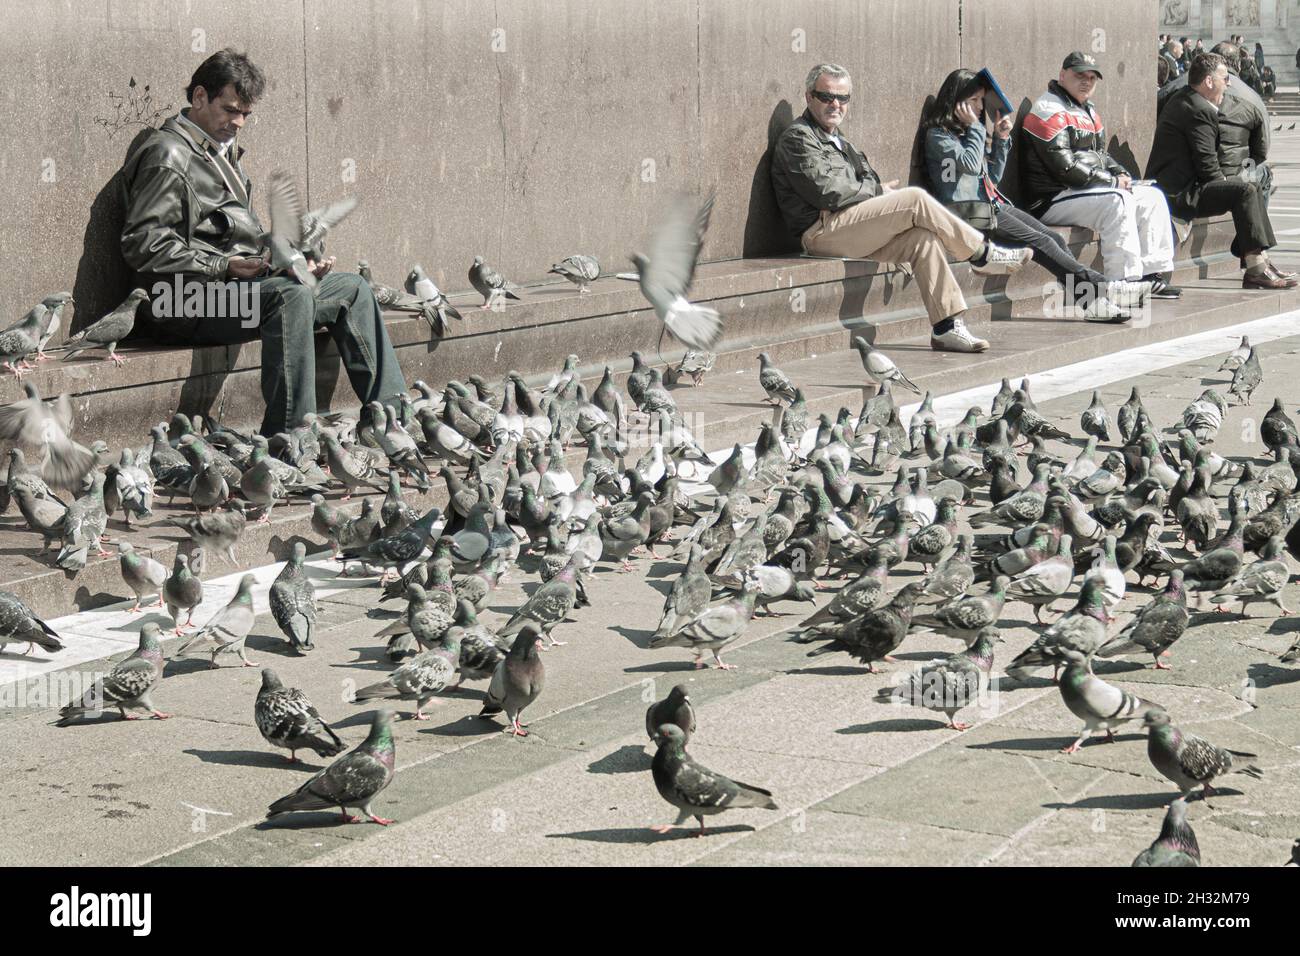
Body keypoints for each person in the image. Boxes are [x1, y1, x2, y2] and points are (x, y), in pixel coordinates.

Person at [120, 49, 407, 437]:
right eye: (230, 109)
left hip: (231, 291)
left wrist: (290, 260)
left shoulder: (220, 150)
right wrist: (223, 266)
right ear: (199, 96)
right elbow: (142, 244)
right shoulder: (168, 154)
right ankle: (290, 439)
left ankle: (391, 423)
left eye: (245, 115)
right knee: (290, 297)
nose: (237, 122)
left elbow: (237, 238)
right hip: (180, 301)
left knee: (352, 289)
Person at [771, 63, 1031, 354]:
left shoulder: (840, 139)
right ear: (809, 97)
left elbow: (868, 176)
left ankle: (947, 327)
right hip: (822, 230)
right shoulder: (799, 137)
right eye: (827, 96)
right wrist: (876, 193)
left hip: (852, 226)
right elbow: (826, 192)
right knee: (914, 199)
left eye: (843, 98)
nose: (836, 104)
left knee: (924, 240)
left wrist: (873, 191)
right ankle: (982, 254)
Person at [919, 68, 1149, 322]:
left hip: (991, 205)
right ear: (955, 101)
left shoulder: (968, 134)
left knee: (1054, 239)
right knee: (1043, 243)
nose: (979, 107)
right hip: (968, 215)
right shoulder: (939, 136)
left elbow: (990, 180)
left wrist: (1001, 141)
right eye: (973, 101)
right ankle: (1104, 286)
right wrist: (976, 129)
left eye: (980, 101)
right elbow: (971, 164)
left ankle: (1093, 304)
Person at [1019, 51, 1179, 297]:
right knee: (1118, 199)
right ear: (1062, 76)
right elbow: (1065, 167)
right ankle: (1121, 282)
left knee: (1151, 197)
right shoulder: (1047, 109)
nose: (1086, 82)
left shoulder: (1088, 110)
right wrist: (1113, 182)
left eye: (1092, 77)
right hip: (1052, 198)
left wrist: (1121, 174)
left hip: (1086, 191)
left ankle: (1151, 276)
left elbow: (1101, 155)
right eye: (1079, 75)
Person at [1146, 54, 1297, 290]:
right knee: (1244, 190)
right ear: (1208, 81)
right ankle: (1256, 267)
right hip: (1178, 193)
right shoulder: (1198, 110)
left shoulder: (1187, 101)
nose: (1228, 83)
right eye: (1224, 78)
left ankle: (1261, 261)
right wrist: (1226, 185)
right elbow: (1207, 167)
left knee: (1250, 186)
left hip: (1181, 184)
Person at [1159, 42, 1271, 202]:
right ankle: (1255, 215)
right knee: (1263, 172)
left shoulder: (1176, 87)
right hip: (1232, 177)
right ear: (1237, 65)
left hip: (1182, 176)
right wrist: (1243, 169)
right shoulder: (1252, 97)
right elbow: (1261, 150)